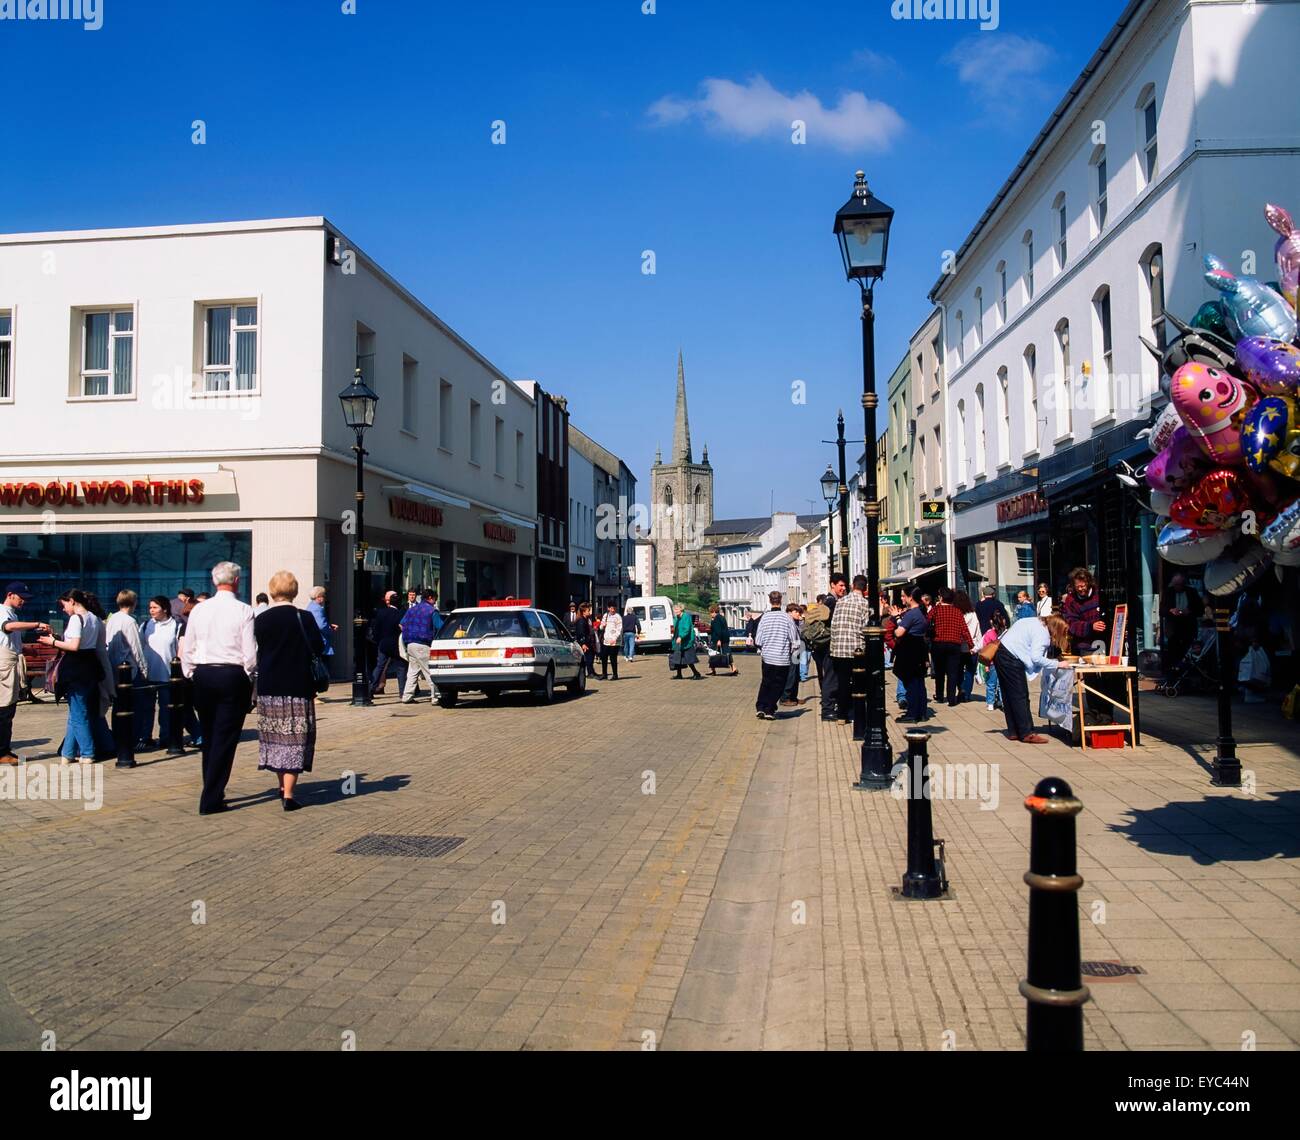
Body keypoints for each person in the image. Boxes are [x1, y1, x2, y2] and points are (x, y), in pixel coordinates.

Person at [181, 562, 257, 815]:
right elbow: (251, 654)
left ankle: (212, 790)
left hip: (204, 674)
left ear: (215, 582)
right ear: (236, 581)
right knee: (225, 739)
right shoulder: (244, 610)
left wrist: (191, 672)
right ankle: (211, 797)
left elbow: (188, 647)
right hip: (231, 674)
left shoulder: (199, 610)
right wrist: (247, 674)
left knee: (211, 736)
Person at [254, 571, 326, 811]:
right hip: (297, 685)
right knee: (296, 738)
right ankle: (289, 794)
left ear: (273, 590)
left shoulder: (261, 619)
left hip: (269, 686)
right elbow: (318, 646)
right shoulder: (303, 617)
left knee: (275, 738)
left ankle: (281, 787)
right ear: (294, 591)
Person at [39, 590, 115, 765]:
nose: (63, 609)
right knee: (77, 711)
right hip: (91, 667)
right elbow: (98, 646)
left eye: (64, 604)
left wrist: (51, 642)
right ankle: (68, 752)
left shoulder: (76, 618)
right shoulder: (95, 619)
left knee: (78, 712)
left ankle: (87, 752)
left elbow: (74, 646)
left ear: (72, 601)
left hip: (76, 668)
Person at [991, 614, 1071, 744]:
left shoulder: (1034, 621)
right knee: (1020, 696)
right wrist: (1057, 664)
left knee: (1008, 695)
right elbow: (1036, 658)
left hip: (1001, 653)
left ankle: (1013, 731)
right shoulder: (1043, 635)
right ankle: (1027, 732)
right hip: (1011, 658)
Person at [0, 583, 50, 764]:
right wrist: (36, 624)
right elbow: (8, 627)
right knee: (4, 708)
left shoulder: (12, 613)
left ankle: (5, 749)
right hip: (4, 664)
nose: (23, 601)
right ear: (10, 595)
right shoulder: (3, 612)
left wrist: (27, 650)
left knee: (9, 708)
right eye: (21, 597)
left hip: (10, 661)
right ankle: (1, 751)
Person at [105, 590, 149, 767]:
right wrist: (144, 670)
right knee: (135, 707)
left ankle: (119, 738)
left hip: (114, 668)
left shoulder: (112, 619)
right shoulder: (130, 621)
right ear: (134, 602)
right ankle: (131, 740)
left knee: (119, 707)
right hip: (128, 670)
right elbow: (136, 648)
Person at [139, 596, 180, 750]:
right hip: (148, 674)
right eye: (150, 607)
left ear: (164, 608)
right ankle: (145, 736)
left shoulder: (175, 625)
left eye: (155, 607)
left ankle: (166, 737)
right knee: (147, 708)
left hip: (167, 675)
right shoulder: (146, 625)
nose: (151, 611)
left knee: (166, 708)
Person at [754, 591, 802, 720]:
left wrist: (764, 647)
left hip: (768, 657)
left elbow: (758, 640)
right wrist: (793, 651)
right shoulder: (787, 618)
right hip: (782, 658)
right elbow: (795, 640)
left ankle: (760, 707)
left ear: (770, 601)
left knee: (766, 682)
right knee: (778, 684)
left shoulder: (764, 618)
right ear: (781, 601)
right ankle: (770, 709)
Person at [829, 576, 870, 725]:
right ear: (865, 589)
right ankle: (859, 714)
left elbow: (833, 625)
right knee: (859, 682)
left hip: (839, 649)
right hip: (856, 648)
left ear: (852, 586)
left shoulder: (840, 602)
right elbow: (866, 627)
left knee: (843, 683)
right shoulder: (865, 604)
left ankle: (842, 715)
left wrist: (833, 647)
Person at [928, 588, 973, 707]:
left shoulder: (936, 610)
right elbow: (964, 630)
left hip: (938, 643)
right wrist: (971, 645)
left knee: (939, 671)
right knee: (953, 672)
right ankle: (951, 698)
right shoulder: (957, 611)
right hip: (954, 644)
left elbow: (927, 620)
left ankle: (939, 695)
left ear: (941, 598)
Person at [892, 589, 931, 724]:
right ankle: (921, 712)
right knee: (919, 682)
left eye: (904, 596)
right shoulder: (921, 612)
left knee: (911, 682)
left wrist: (896, 618)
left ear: (910, 598)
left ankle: (913, 713)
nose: (902, 599)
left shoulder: (912, 614)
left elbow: (899, 633)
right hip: (919, 648)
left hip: (910, 649)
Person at [399, 588, 440, 704]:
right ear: (430, 598)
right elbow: (440, 626)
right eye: (435, 599)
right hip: (423, 644)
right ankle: (436, 696)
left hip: (410, 644)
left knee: (412, 671)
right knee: (429, 671)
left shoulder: (412, 610)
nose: (435, 602)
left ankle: (407, 696)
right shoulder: (432, 611)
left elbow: (401, 624)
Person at [818, 575, 848, 722]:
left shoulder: (831, 601)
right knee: (830, 677)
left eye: (844, 586)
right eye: (841, 585)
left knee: (832, 676)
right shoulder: (831, 601)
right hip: (829, 645)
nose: (843, 588)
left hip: (829, 645)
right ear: (832, 585)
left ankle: (830, 706)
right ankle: (827, 710)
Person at [369, 590, 407, 697]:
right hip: (397, 644)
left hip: (384, 643)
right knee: (401, 667)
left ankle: (371, 689)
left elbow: (376, 629)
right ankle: (402, 692)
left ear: (389, 602)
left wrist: (378, 641)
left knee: (380, 666)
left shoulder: (381, 612)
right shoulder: (400, 613)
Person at [1161, 573, 1198, 677]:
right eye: (1175, 585)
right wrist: (1170, 610)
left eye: (1179, 585)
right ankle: (1174, 676)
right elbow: (1162, 610)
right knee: (1173, 654)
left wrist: (1189, 611)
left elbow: (1199, 608)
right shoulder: (1168, 593)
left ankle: (1186, 676)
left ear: (1183, 584)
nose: (1177, 587)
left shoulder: (1192, 592)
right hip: (1173, 628)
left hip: (1188, 627)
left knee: (1187, 653)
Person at [954, 590, 981, 702]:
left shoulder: (955, 614)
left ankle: (961, 689)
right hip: (971, 646)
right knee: (970, 670)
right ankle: (967, 693)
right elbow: (977, 631)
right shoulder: (973, 614)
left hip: (958, 645)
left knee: (958, 670)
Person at [981, 607, 1010, 712]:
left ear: (991, 621)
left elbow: (985, 650)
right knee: (1002, 683)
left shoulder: (988, 634)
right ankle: (1003, 702)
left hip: (992, 662)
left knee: (991, 683)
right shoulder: (1007, 633)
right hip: (1004, 661)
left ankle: (990, 703)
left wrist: (986, 665)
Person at [781, 603, 807, 707]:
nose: (798, 614)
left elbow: (802, 631)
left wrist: (802, 620)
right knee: (790, 675)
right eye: (796, 612)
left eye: (799, 612)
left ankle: (793, 697)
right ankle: (785, 697)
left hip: (797, 650)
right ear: (789, 612)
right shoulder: (787, 621)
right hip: (791, 651)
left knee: (796, 675)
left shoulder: (796, 622)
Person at [670, 603, 702, 680]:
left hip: (686, 641)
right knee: (678, 658)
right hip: (678, 641)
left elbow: (686, 629)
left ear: (681, 609)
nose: (675, 611)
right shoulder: (676, 618)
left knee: (689, 658)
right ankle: (679, 674)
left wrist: (681, 637)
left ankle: (696, 673)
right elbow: (676, 628)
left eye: (677, 609)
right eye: (674, 610)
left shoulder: (686, 617)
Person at [307, 586, 338, 658]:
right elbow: (321, 626)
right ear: (318, 597)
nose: (324, 598)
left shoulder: (311, 606)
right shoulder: (317, 608)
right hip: (321, 644)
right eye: (323, 596)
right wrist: (330, 629)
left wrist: (329, 626)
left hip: (317, 643)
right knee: (323, 667)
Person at [707, 604, 735, 676]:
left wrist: (718, 640)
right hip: (725, 639)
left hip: (718, 639)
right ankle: (734, 668)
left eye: (710, 612)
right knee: (727, 653)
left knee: (712, 653)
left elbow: (718, 630)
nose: (710, 614)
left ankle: (713, 670)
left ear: (713, 611)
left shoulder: (716, 619)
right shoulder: (722, 617)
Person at [572, 603, 598, 677]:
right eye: (588, 611)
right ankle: (590, 673)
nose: (589, 612)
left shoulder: (586, 619)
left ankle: (592, 671)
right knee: (588, 657)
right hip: (585, 642)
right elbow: (581, 633)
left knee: (591, 656)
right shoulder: (581, 620)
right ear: (583, 612)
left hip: (588, 641)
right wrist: (583, 643)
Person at [599, 602, 623, 680]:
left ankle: (615, 675)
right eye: (611, 608)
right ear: (608, 608)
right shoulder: (605, 616)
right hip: (606, 640)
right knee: (604, 657)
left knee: (613, 658)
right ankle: (604, 674)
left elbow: (619, 629)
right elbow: (601, 627)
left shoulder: (618, 617)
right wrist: (603, 625)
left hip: (614, 641)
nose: (613, 610)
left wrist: (614, 638)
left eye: (614, 608)